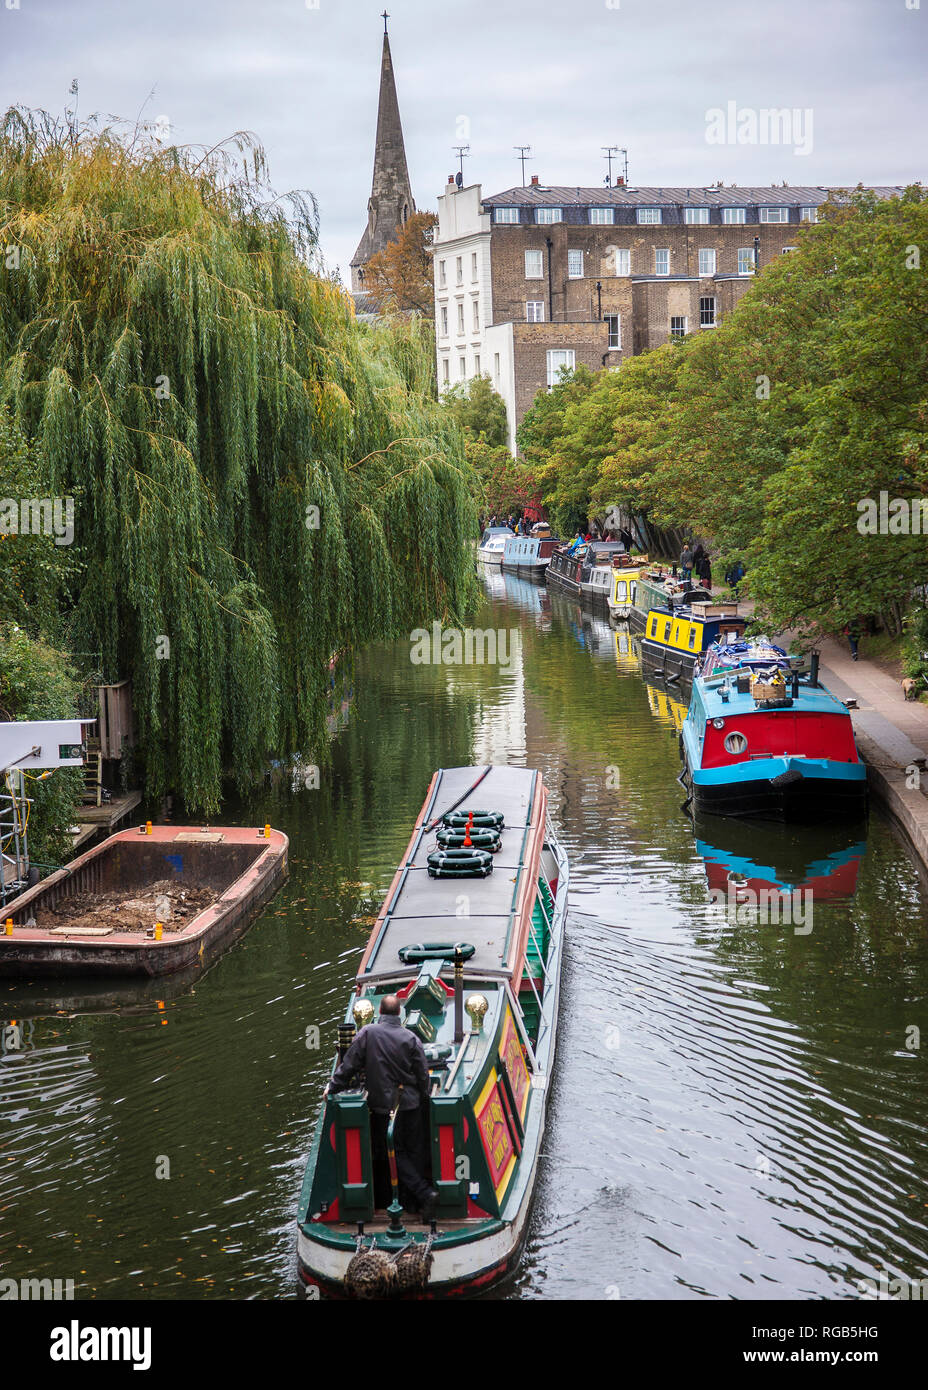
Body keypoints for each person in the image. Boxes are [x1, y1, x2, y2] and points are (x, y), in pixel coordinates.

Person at [325, 995, 437, 1221]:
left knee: (392, 1153)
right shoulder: (412, 1038)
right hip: (411, 1105)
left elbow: (349, 1065)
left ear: (380, 1013)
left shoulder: (367, 1033)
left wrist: (332, 1087)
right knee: (413, 1151)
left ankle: (422, 1195)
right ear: (399, 1014)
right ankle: (415, 1203)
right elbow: (423, 1075)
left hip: (384, 1108)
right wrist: (424, 1096)